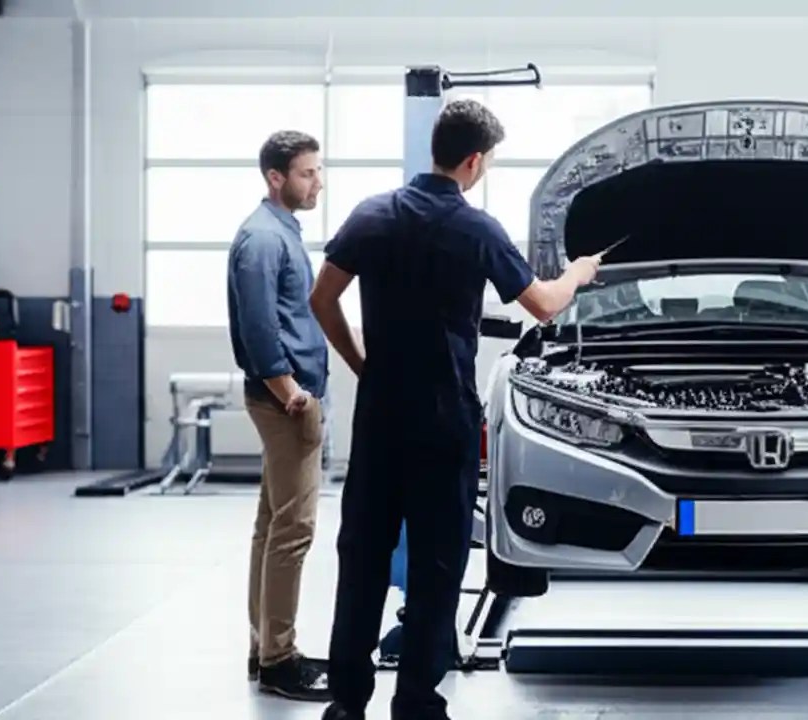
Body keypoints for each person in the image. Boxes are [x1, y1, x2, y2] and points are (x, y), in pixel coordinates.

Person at [309, 99, 602, 720]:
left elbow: (322, 298)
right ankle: (415, 701)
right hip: (444, 420)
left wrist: (364, 364)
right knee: (440, 562)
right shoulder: (477, 229)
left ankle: (346, 701)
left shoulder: (372, 214)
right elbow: (544, 304)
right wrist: (578, 271)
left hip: (381, 415)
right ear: (474, 160)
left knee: (361, 555)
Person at [227, 129, 332, 702]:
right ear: (276, 177)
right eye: (307, 173)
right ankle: (279, 660)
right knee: (294, 531)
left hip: (286, 395)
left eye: (318, 171)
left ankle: (265, 645)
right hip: (284, 401)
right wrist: (291, 391)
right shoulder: (263, 239)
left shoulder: (281, 231)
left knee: (271, 527)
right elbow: (260, 327)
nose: (318, 182)